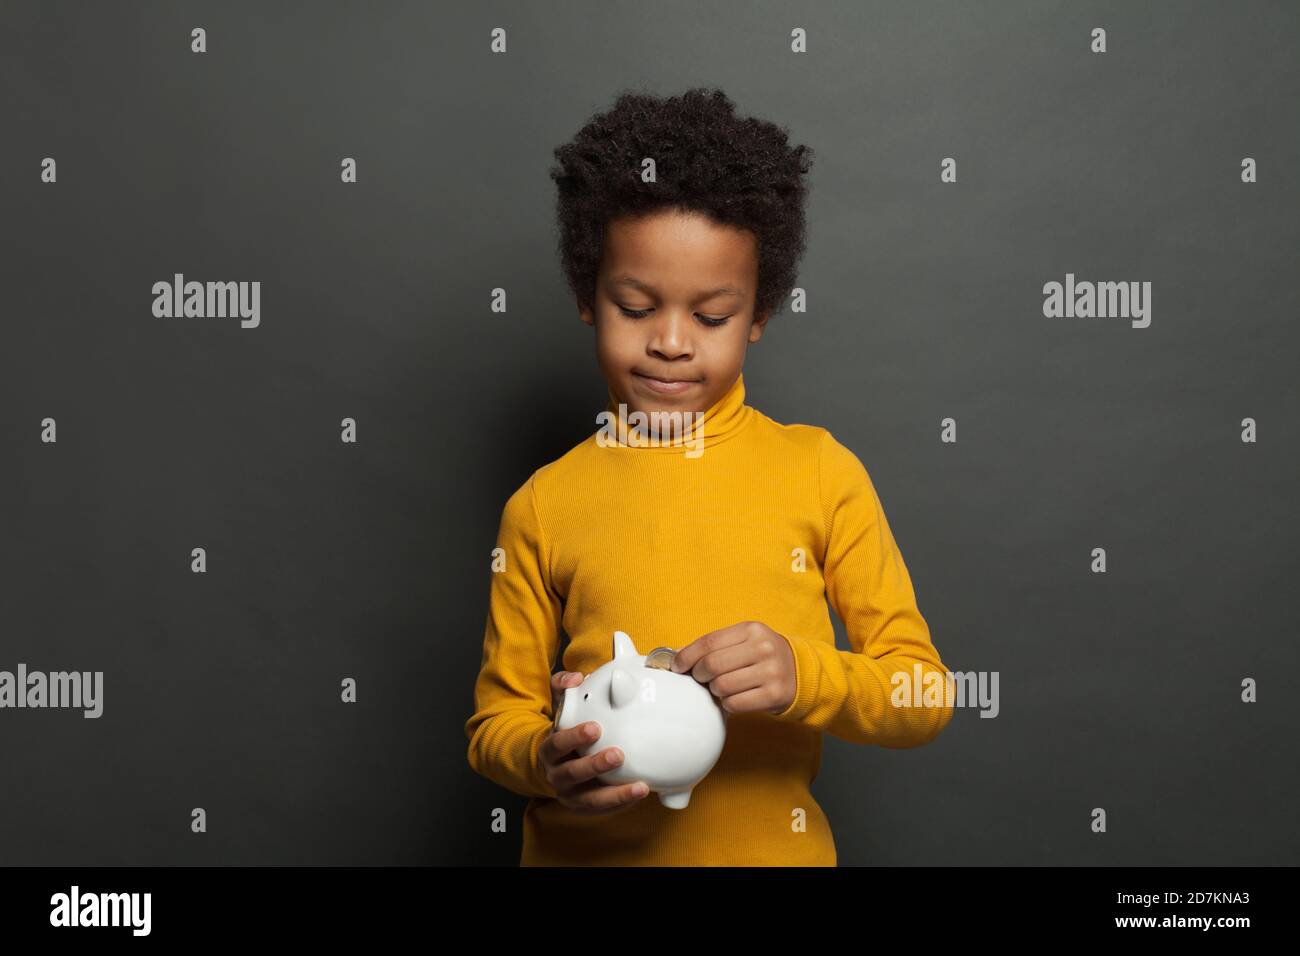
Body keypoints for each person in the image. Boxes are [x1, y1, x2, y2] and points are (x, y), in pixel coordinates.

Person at [464, 87, 954, 865]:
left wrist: (804, 675)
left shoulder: (820, 472)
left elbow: (923, 695)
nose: (669, 342)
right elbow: (497, 725)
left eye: (712, 316)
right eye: (634, 305)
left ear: (759, 314)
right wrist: (545, 761)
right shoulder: (543, 506)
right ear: (588, 294)